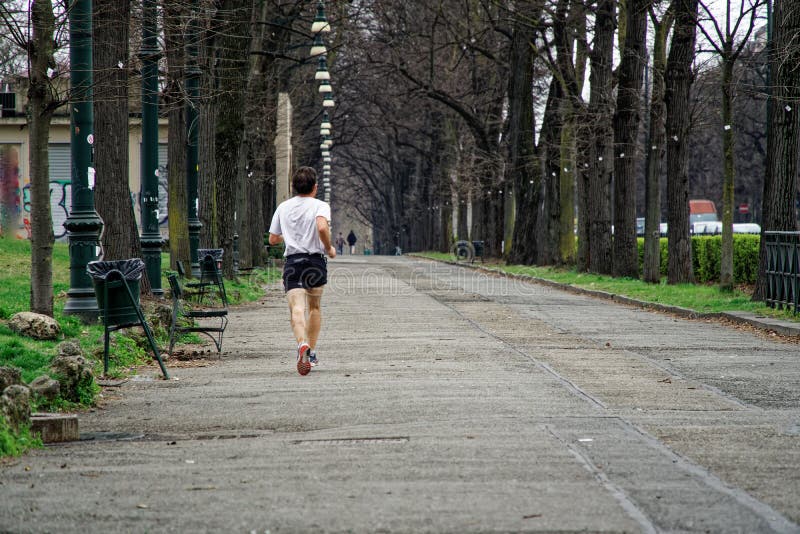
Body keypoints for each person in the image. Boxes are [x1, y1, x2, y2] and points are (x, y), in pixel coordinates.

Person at [268, 167, 336, 376]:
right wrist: (329, 247)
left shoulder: (283, 207)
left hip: (293, 262)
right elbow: (322, 227)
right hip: (315, 261)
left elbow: (272, 239)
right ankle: (312, 352)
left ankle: (301, 345)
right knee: (314, 308)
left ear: (293, 187)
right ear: (315, 187)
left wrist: (289, 236)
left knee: (296, 309)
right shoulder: (320, 206)